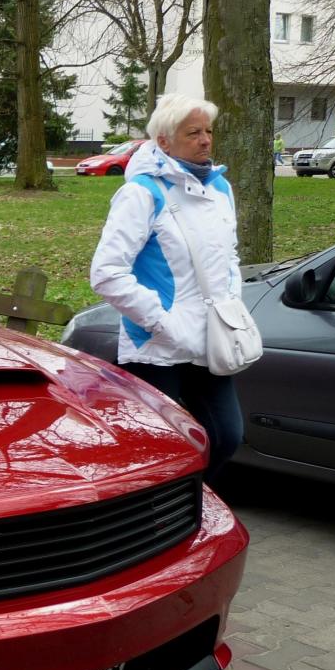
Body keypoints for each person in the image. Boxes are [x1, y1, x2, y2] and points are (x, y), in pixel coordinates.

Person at [89, 92, 246, 484]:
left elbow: (229, 256)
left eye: (208, 131)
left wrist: (231, 301)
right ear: (164, 141)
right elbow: (106, 273)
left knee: (226, 435)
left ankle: (190, 506)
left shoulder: (221, 189)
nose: (206, 140)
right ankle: (151, 514)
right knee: (157, 450)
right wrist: (163, 323)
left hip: (211, 338)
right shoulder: (142, 193)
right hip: (156, 347)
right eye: (193, 133)